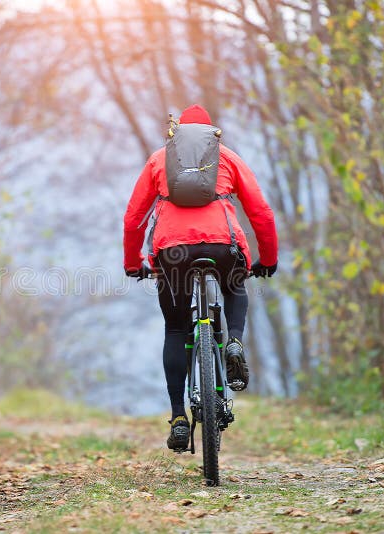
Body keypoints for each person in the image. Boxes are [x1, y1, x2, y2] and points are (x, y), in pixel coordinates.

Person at [122, 104, 278, 451]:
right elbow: (261, 212)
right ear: (211, 135)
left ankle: (179, 416)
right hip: (224, 245)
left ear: (178, 135)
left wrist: (133, 262)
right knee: (235, 287)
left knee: (177, 329)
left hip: (172, 252)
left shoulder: (159, 160)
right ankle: (234, 340)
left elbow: (133, 216)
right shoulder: (228, 158)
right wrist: (268, 258)